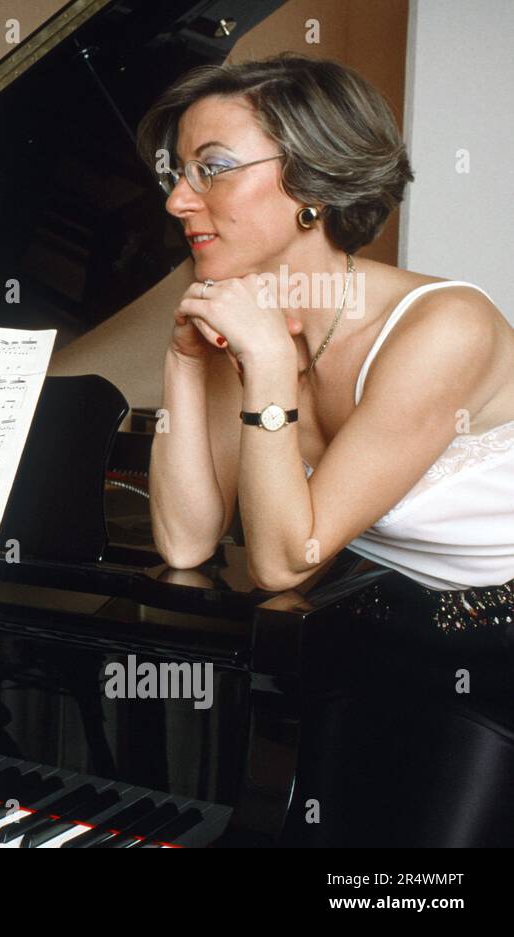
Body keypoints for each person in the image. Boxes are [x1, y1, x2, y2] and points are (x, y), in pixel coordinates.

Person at [139, 53, 513, 844]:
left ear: (312, 184)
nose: (178, 199)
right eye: (178, 172)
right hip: (377, 623)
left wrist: (270, 367)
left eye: (212, 169)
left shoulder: (446, 327)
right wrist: (181, 361)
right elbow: (187, 540)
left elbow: (282, 559)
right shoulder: (236, 301)